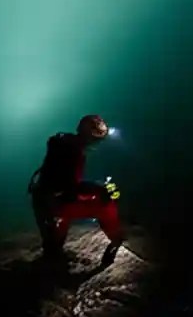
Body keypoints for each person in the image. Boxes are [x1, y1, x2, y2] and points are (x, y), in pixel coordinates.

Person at [28, 114, 125, 266]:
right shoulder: (74, 151)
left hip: (43, 200)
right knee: (105, 205)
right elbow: (71, 188)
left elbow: (64, 182)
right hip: (55, 203)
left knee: (53, 243)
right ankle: (116, 241)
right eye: (98, 134)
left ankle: (53, 249)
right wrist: (99, 189)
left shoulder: (64, 143)